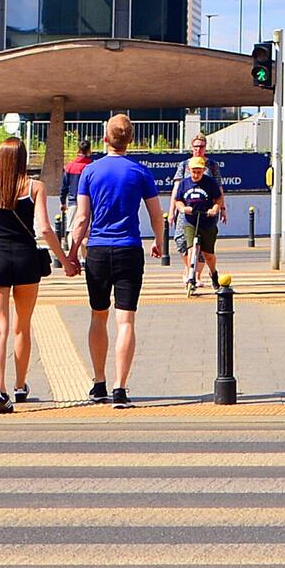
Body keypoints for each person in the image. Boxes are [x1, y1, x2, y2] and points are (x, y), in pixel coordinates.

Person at [66, 112, 167, 406]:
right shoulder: (140, 172)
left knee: (99, 315)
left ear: (105, 139)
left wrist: (72, 254)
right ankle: (120, 388)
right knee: (126, 320)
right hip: (129, 249)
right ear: (130, 140)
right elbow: (156, 214)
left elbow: (82, 218)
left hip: (98, 250)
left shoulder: (90, 172)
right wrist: (158, 241)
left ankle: (99, 383)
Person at [0, 138, 50, 414]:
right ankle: (19, 385)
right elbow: (45, 229)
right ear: (23, 159)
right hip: (26, 258)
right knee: (22, 326)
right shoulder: (35, 187)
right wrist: (65, 260)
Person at [174, 153, 224, 295]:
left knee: (208, 254)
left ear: (203, 170)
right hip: (190, 220)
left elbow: (218, 198)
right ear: (189, 170)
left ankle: (213, 273)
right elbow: (178, 200)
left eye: (199, 172)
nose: (196, 175)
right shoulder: (184, 183)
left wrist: (215, 209)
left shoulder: (210, 183)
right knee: (192, 249)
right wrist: (183, 208)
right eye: (194, 172)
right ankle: (191, 277)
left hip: (207, 221)